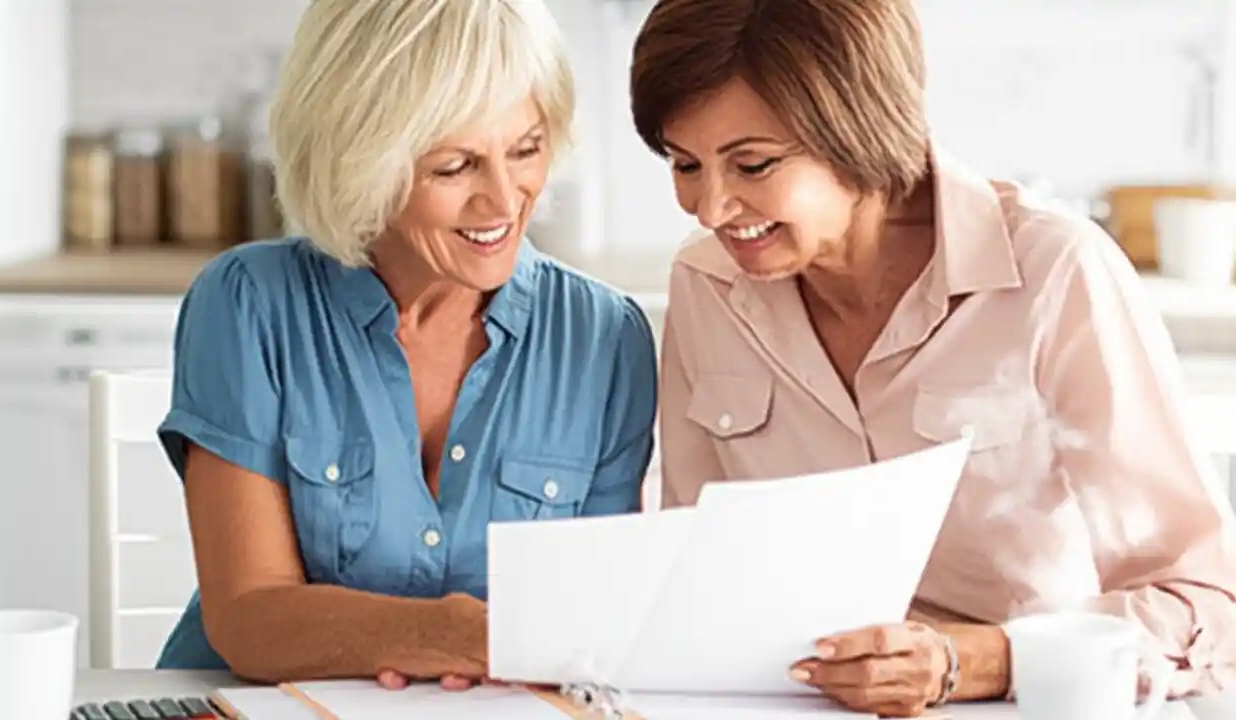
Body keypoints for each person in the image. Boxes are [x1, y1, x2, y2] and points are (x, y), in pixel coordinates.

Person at [631, 0, 1236, 716]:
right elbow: (697, 567)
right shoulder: (706, 284)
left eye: (752, 164)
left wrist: (978, 659)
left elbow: (1205, 602)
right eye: (685, 164)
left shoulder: (1053, 272)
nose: (709, 207)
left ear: (860, 127)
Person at [154, 0, 657, 687]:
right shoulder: (247, 304)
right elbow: (247, 616)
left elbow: (594, 622)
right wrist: (436, 634)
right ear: (362, 159)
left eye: (526, 150)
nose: (504, 201)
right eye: (455, 167)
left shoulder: (603, 337)